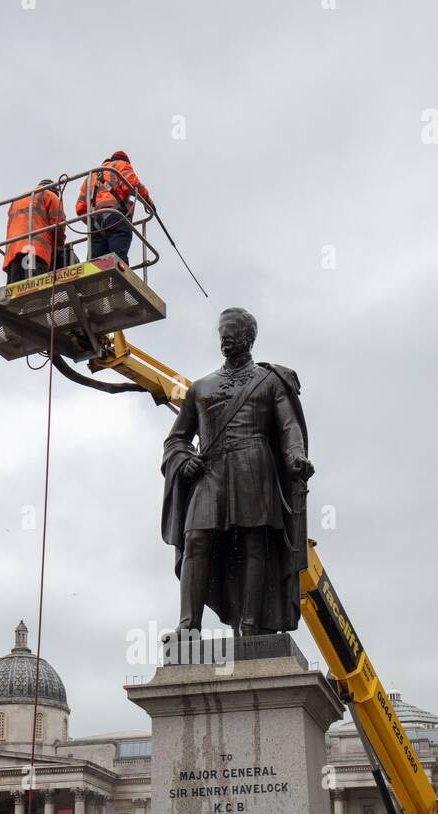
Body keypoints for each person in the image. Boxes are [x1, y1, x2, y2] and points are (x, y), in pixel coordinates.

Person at [161, 307, 312, 637]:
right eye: (222, 334)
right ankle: (188, 627)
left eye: (232, 334)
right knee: (195, 539)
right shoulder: (200, 387)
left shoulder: (271, 381)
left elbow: (288, 428)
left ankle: (249, 625)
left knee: (253, 544)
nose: (225, 340)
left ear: (249, 338)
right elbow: (176, 438)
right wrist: (183, 459)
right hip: (209, 472)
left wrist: (296, 456)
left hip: (254, 467)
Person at [75, 152, 154, 266]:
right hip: (116, 217)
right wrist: (148, 201)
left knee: (95, 264)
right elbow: (133, 184)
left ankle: (98, 281)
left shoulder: (92, 176)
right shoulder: (121, 165)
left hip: (96, 223)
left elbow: (80, 207)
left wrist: (91, 222)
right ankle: (116, 282)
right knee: (117, 260)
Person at [3, 179, 65, 285]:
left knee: (15, 293)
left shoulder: (18, 200)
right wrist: (59, 249)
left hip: (13, 254)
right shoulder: (50, 195)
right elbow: (58, 224)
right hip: (35, 251)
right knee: (35, 290)